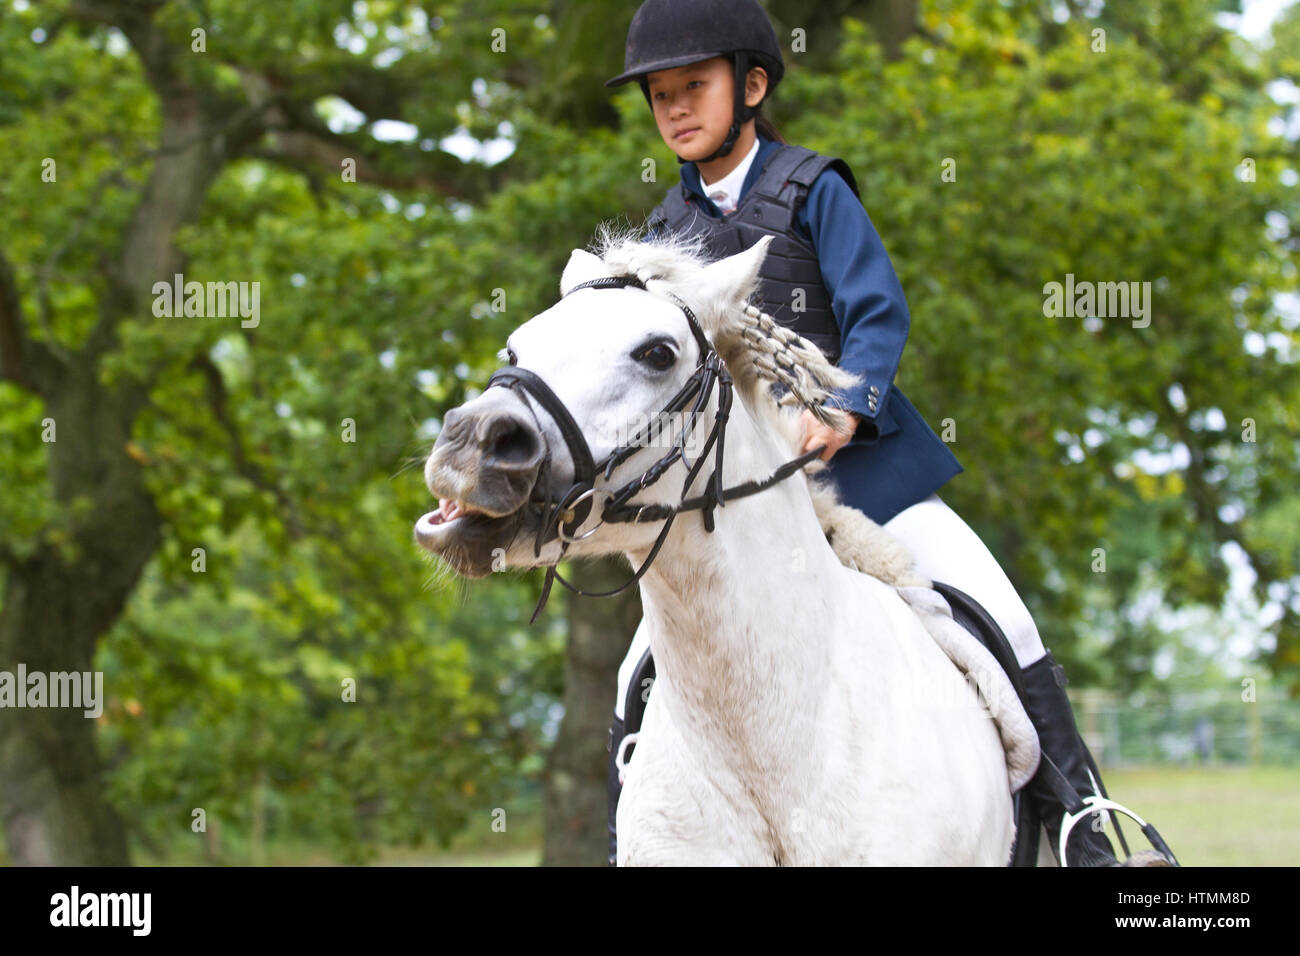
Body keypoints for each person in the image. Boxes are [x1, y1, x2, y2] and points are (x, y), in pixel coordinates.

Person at [601, 0, 1135, 867]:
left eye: (693, 86)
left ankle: (1084, 829)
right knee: (638, 672)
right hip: (738, 505)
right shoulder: (663, 234)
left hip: (865, 475)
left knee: (1003, 614)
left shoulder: (815, 189)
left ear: (752, 85)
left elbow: (878, 311)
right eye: (661, 94)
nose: (675, 108)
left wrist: (843, 406)